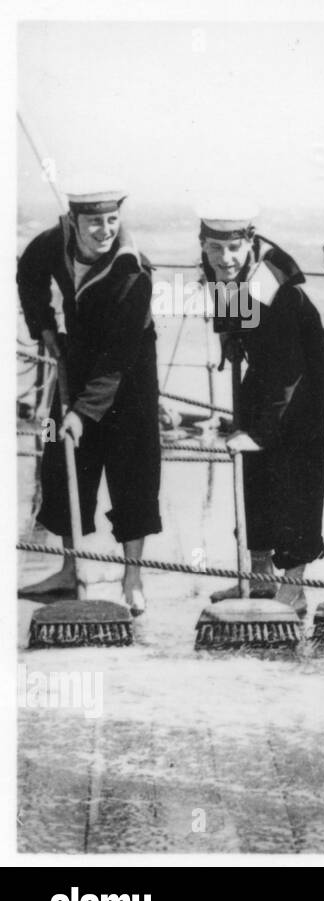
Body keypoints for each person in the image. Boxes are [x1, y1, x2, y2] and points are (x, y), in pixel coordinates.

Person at [17, 180, 160, 615]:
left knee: (132, 472)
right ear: (74, 221)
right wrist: (43, 326)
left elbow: (118, 357)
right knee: (60, 461)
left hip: (130, 374)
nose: (104, 230)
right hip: (75, 360)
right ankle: (69, 569)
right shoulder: (55, 241)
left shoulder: (132, 269)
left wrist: (82, 411)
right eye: (94, 221)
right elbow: (27, 271)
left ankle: (132, 578)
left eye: (112, 220)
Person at [200, 201, 324, 614]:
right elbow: (228, 305)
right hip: (262, 372)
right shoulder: (223, 269)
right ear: (203, 245)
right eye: (216, 249)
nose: (225, 258)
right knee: (254, 473)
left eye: (234, 248)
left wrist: (258, 433)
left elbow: (287, 374)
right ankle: (259, 580)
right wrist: (228, 335)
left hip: (301, 385)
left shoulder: (274, 292)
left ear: (250, 243)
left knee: (293, 478)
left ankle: (293, 587)